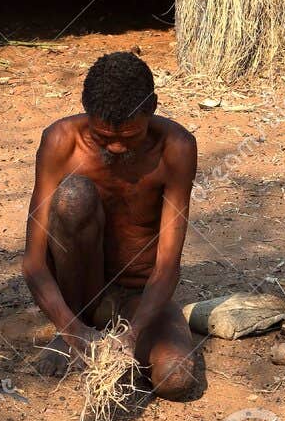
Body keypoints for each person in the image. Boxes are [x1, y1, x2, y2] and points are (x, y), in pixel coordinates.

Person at [20, 51, 198, 400]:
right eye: (103, 137)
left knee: (175, 379)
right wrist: (72, 331)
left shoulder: (176, 147)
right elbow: (34, 263)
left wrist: (131, 335)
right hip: (80, 294)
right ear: (87, 113)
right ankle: (79, 322)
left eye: (130, 136)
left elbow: (167, 267)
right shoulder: (61, 141)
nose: (116, 147)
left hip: (136, 295)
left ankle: (119, 330)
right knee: (73, 196)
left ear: (153, 109)